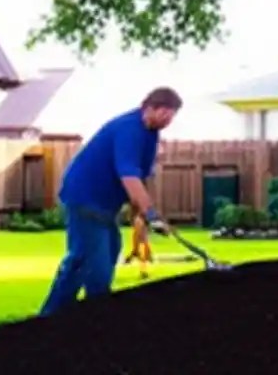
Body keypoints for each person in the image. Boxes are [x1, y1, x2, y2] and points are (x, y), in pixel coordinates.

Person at [38, 87, 182, 316]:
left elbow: (140, 178)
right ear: (149, 107)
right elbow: (129, 176)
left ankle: (53, 317)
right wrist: (152, 214)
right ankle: (93, 319)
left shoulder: (150, 134)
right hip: (86, 197)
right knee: (96, 266)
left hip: (103, 205)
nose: (169, 120)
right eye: (165, 113)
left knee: (92, 257)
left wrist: (143, 217)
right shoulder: (129, 129)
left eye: (172, 116)